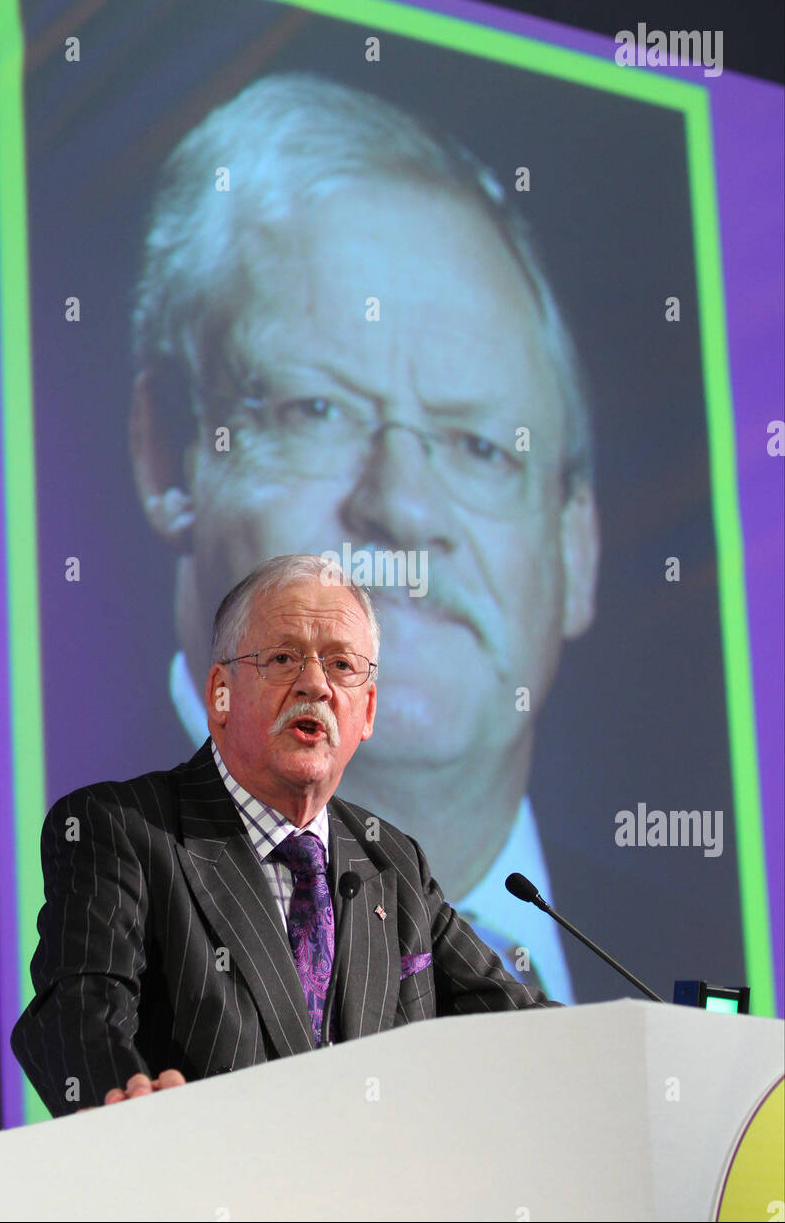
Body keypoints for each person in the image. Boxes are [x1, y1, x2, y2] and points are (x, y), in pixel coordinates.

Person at [128, 73, 601, 1006]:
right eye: (318, 409)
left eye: (479, 447)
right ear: (165, 456)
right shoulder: (53, 883)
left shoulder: (704, 970)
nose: (405, 506)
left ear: (576, 546)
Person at [11, 555, 558, 1118]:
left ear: (366, 711)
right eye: (282, 658)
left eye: (343, 665)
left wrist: (639, 1048)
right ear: (220, 693)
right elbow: (82, 1006)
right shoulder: (123, 828)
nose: (316, 684)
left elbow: (516, 1020)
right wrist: (122, 1100)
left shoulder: (392, 863)